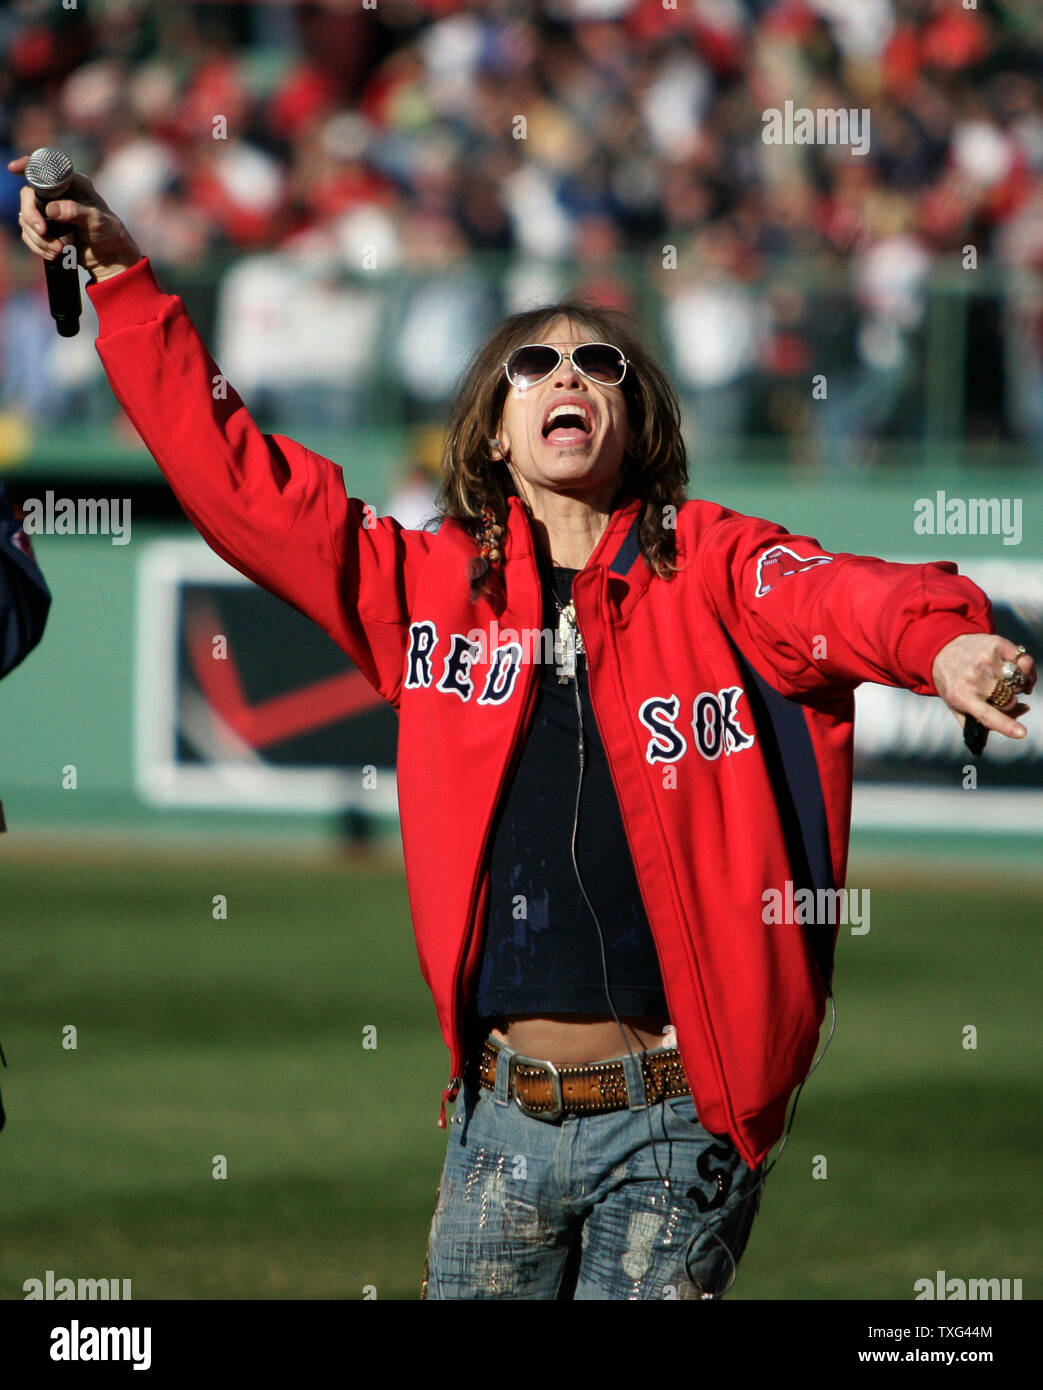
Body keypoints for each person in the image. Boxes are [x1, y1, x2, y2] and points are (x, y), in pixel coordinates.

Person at [12, 154, 1035, 1301]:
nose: (568, 374)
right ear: (494, 430)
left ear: (629, 417)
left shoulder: (715, 564)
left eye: (597, 362)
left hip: (672, 1125)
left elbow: (847, 596)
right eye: (532, 363)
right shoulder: (422, 587)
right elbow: (239, 483)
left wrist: (944, 638)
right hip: (495, 1121)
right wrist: (120, 278)